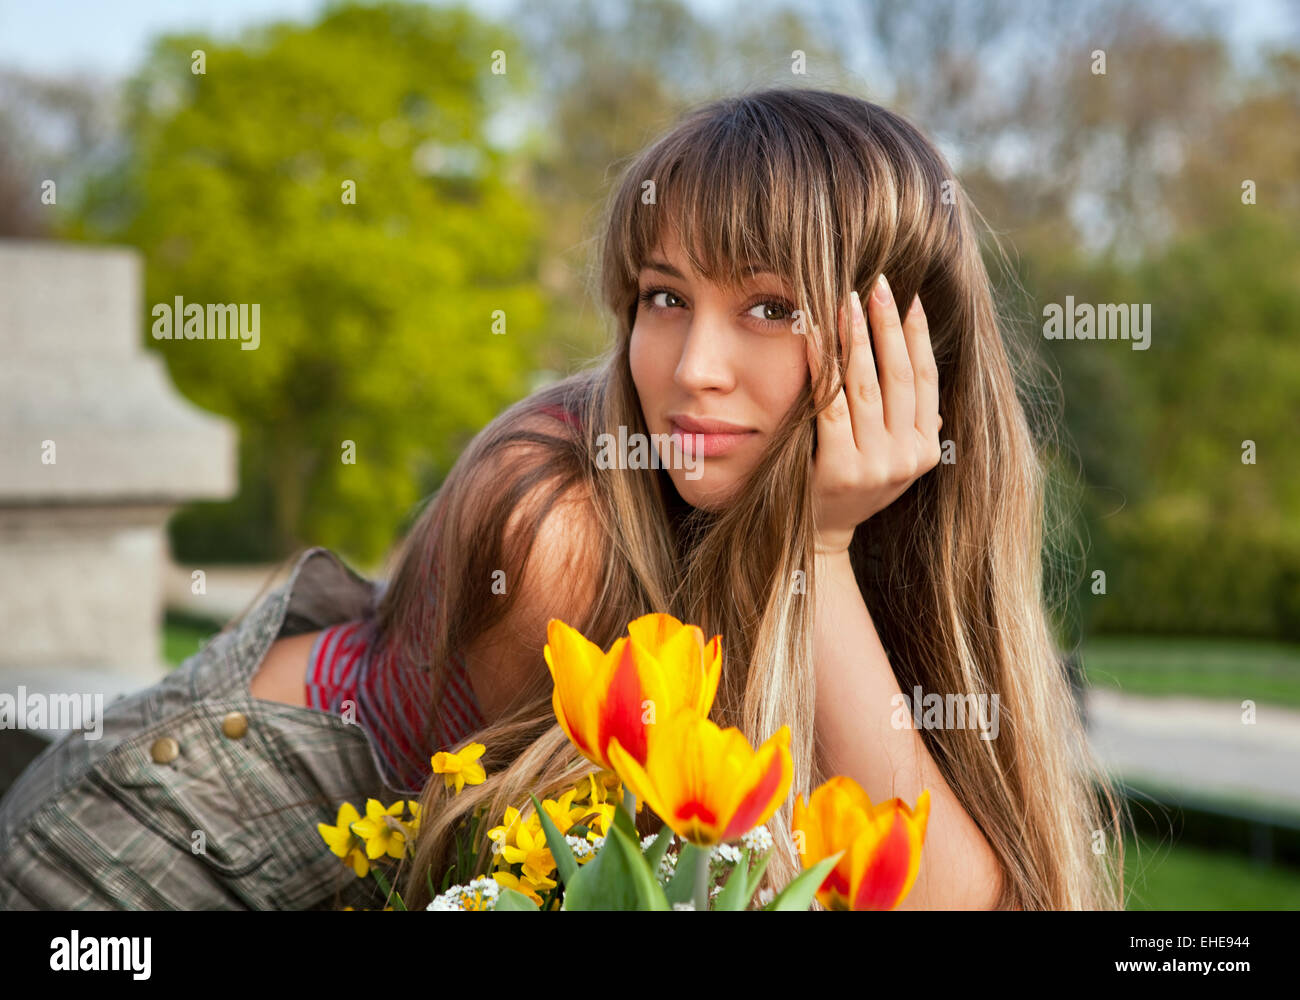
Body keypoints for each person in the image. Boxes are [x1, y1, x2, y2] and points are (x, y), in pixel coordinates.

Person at [0, 86, 1127, 911]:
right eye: (664, 295)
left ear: (900, 346)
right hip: (126, 872)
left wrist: (822, 550)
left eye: (770, 308)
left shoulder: (886, 520)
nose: (693, 368)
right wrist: (815, 555)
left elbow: (972, 899)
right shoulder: (561, 521)